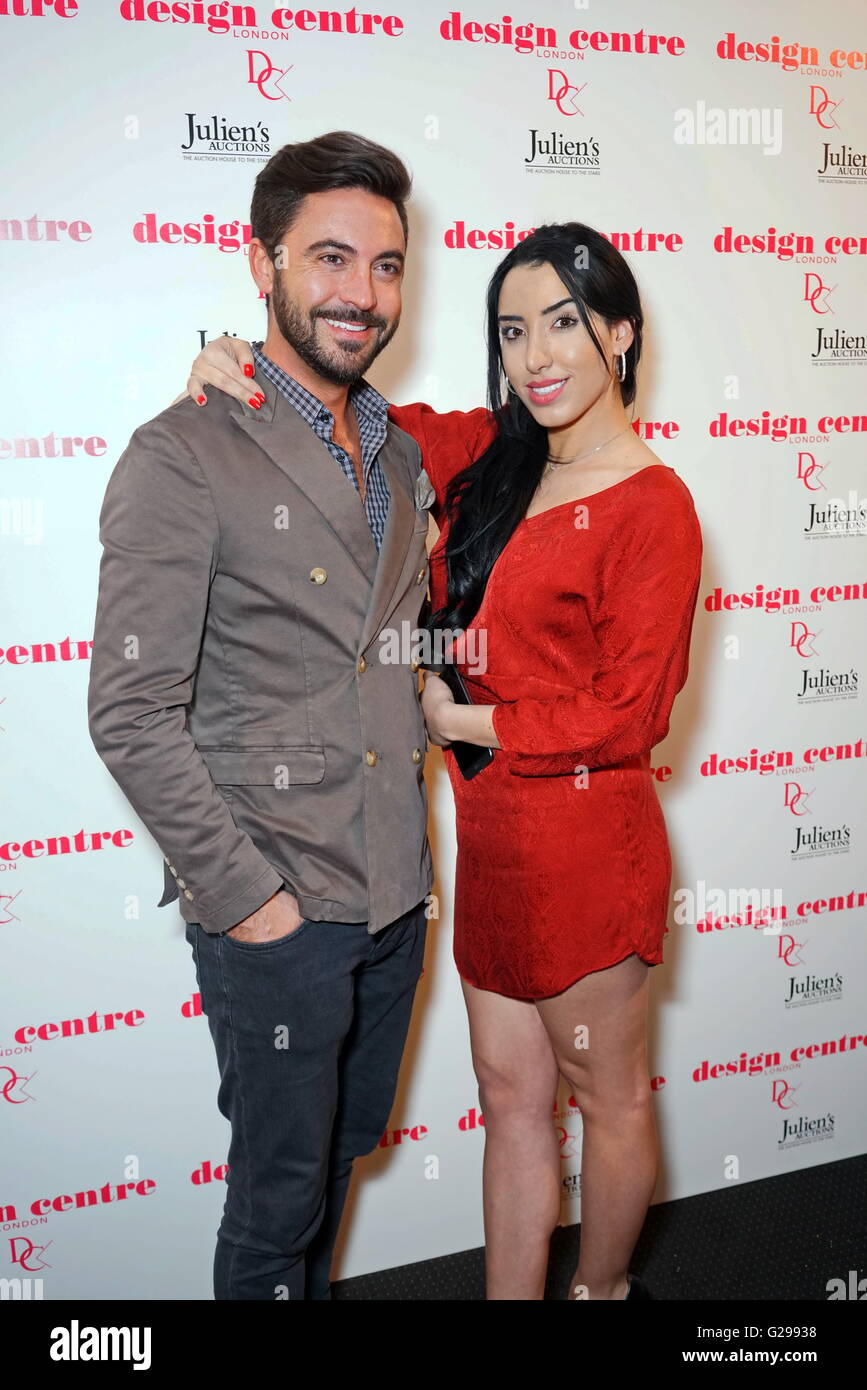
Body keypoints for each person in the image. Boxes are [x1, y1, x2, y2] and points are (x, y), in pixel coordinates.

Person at [183, 221, 703, 1300]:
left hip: (590, 851)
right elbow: (356, 423)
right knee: (510, 1102)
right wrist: (239, 368)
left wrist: (467, 724)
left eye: (564, 324)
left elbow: (631, 708)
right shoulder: (488, 456)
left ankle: (601, 1293)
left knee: (607, 1097)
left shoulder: (655, 504)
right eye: (513, 331)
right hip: (496, 852)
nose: (538, 358)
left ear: (620, 332)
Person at [87, 131, 437, 1301]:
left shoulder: (400, 456)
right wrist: (255, 908)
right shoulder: (184, 453)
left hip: (396, 894)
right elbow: (130, 712)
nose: (362, 292)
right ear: (261, 262)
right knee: (275, 1201)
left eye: (387, 266)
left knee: (337, 1166)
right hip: (282, 911)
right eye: (331, 258)